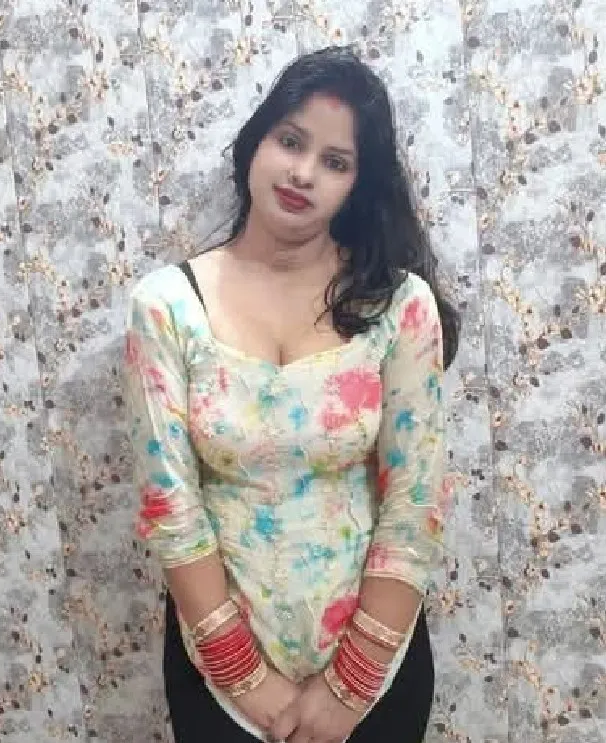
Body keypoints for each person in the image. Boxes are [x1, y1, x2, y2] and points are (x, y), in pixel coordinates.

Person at [124, 46, 460, 743]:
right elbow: (170, 508)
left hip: (377, 673)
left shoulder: (398, 305)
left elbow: (416, 503)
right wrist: (248, 680)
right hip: (218, 676)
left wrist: (349, 687)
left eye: (335, 161)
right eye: (290, 141)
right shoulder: (168, 306)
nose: (304, 172)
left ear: (357, 185)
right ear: (256, 143)